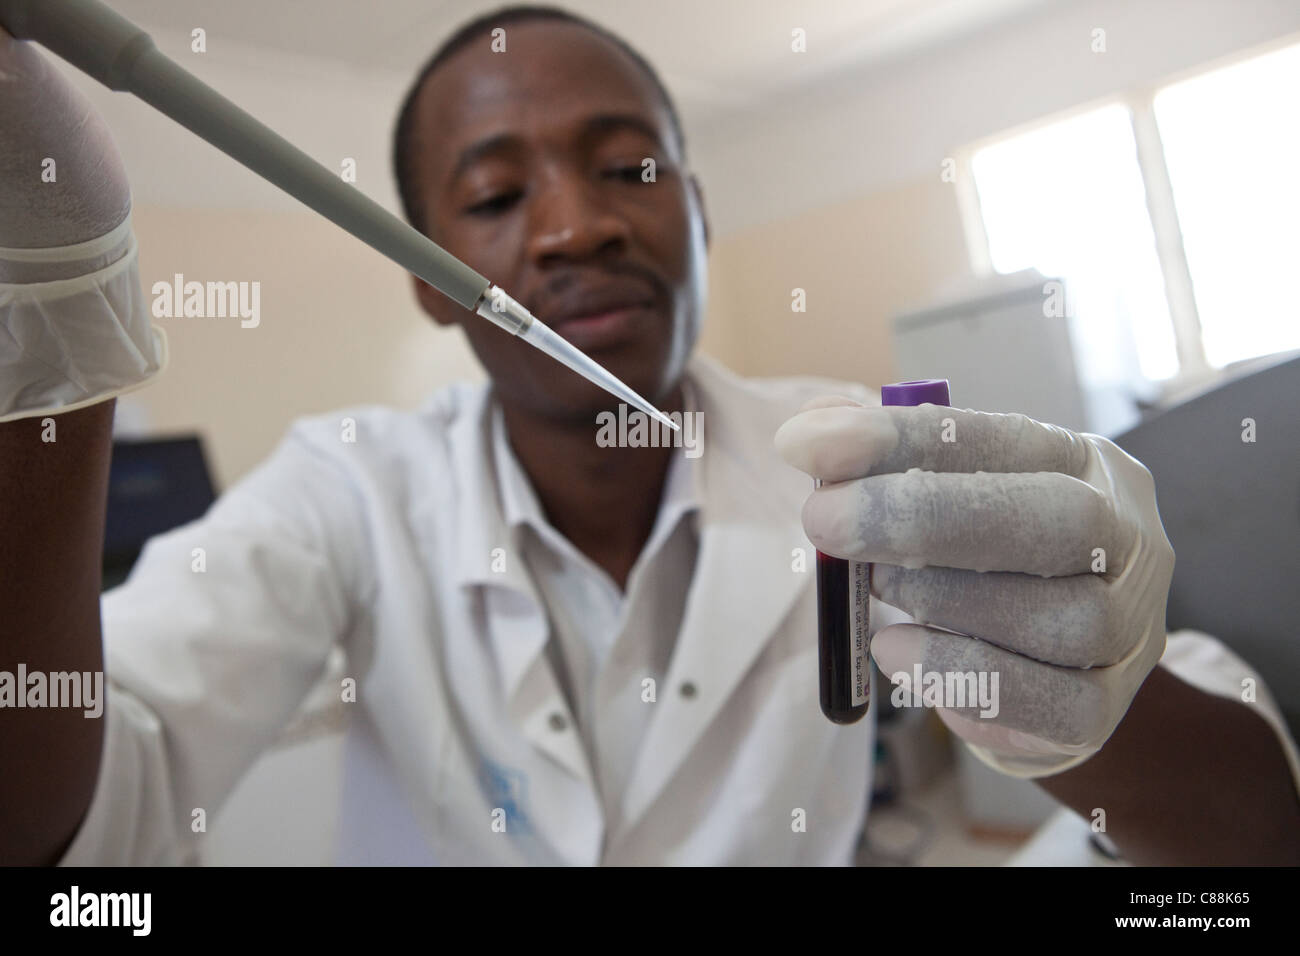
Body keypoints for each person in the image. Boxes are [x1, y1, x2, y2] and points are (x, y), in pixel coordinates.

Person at [1, 6, 1297, 866]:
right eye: (499, 194)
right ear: (427, 279)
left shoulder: (851, 466)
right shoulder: (345, 493)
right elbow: (84, 810)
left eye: (628, 170)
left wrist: (1088, 706)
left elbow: (1248, 833)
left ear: (699, 216)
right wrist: (53, 342)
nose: (576, 229)